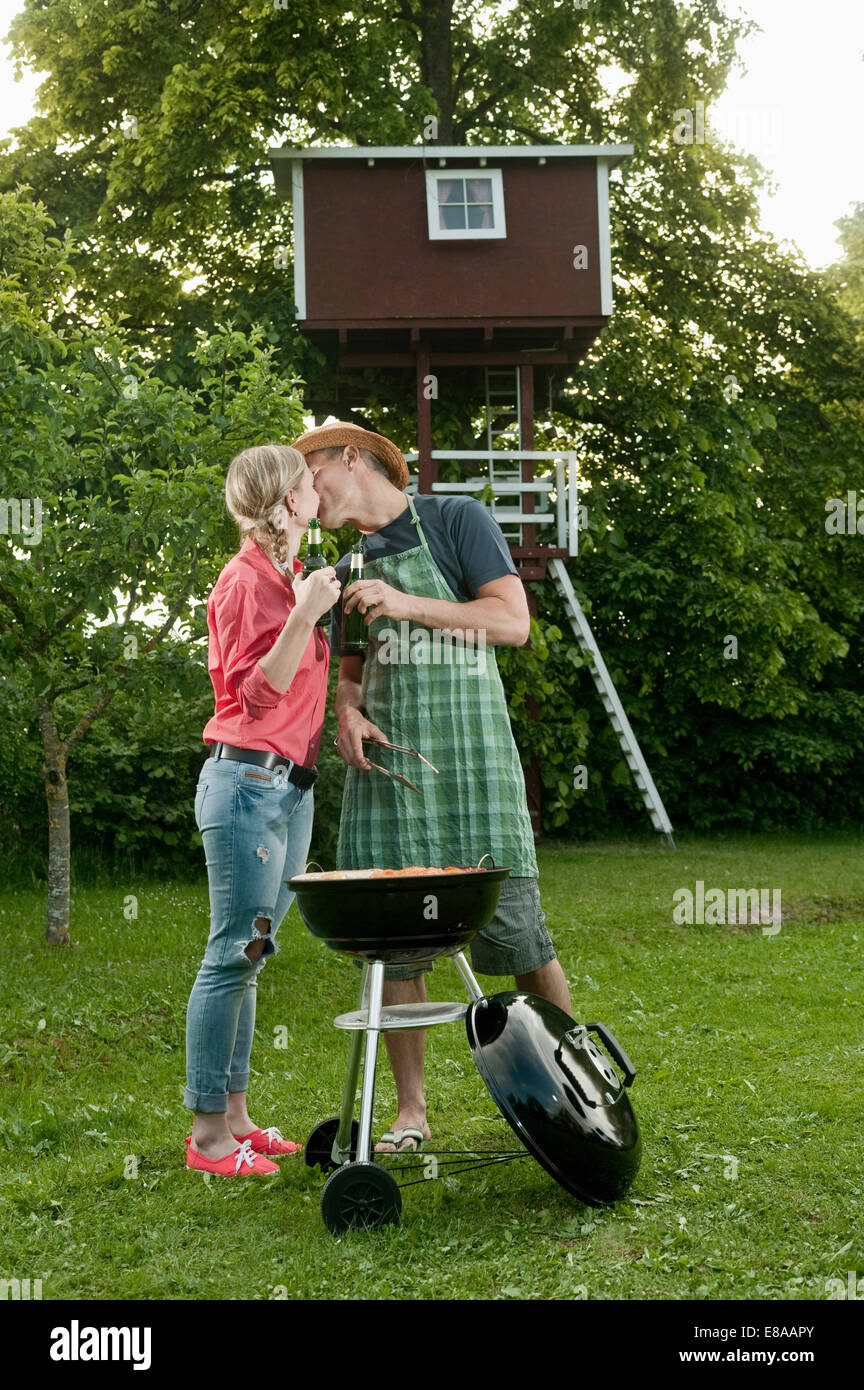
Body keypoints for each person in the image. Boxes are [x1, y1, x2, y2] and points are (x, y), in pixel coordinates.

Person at [292, 421, 573, 1154]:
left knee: (519, 936)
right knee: (397, 952)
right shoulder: (345, 566)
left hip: (472, 763)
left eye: (308, 473)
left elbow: (513, 623)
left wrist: (409, 602)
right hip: (391, 776)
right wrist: (346, 717)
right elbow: (350, 677)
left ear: (349, 459)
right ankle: (411, 1113)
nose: (302, 492)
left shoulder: (455, 519)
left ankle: (573, 1083)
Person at [184, 443, 341, 1175]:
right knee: (229, 955)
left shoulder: (290, 578)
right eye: (309, 484)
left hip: (288, 787)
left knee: (253, 955)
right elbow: (254, 695)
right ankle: (208, 1136)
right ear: (286, 501)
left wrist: (312, 604)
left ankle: (238, 1119)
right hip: (246, 784)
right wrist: (306, 614)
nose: (319, 491)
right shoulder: (248, 581)